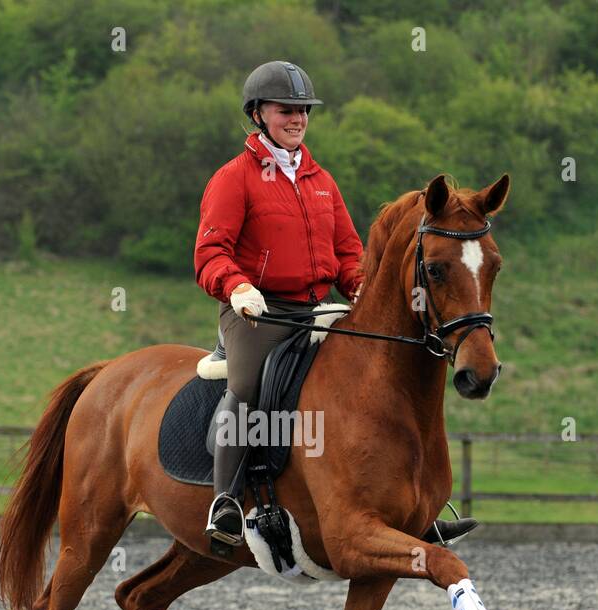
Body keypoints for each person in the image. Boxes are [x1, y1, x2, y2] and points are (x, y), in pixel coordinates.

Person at [193, 60, 477, 551]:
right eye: (287, 110)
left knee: (375, 377)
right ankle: (227, 501)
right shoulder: (233, 178)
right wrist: (238, 288)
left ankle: (412, 505)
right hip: (258, 312)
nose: (297, 119)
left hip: (315, 308)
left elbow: (349, 253)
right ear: (259, 114)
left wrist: (363, 291)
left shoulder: (321, 179)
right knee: (246, 384)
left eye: (303, 111)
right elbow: (209, 252)